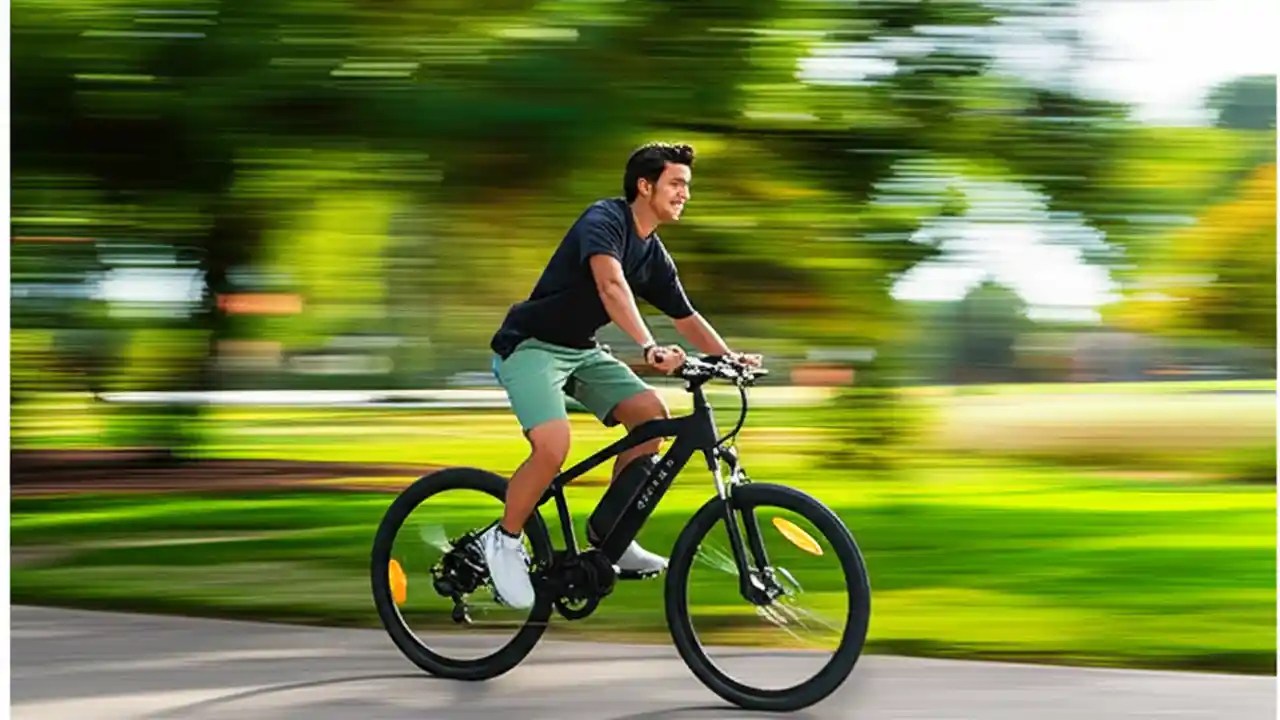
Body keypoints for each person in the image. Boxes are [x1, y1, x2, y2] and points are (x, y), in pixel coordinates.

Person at [481, 142, 761, 608]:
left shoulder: (653, 254)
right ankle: (504, 540)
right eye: (676, 184)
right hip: (529, 347)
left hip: (580, 351)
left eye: (687, 186)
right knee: (553, 446)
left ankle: (612, 535)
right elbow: (610, 285)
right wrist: (649, 346)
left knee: (651, 417)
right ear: (644, 186)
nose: (684, 194)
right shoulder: (604, 221)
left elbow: (686, 317)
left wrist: (729, 359)